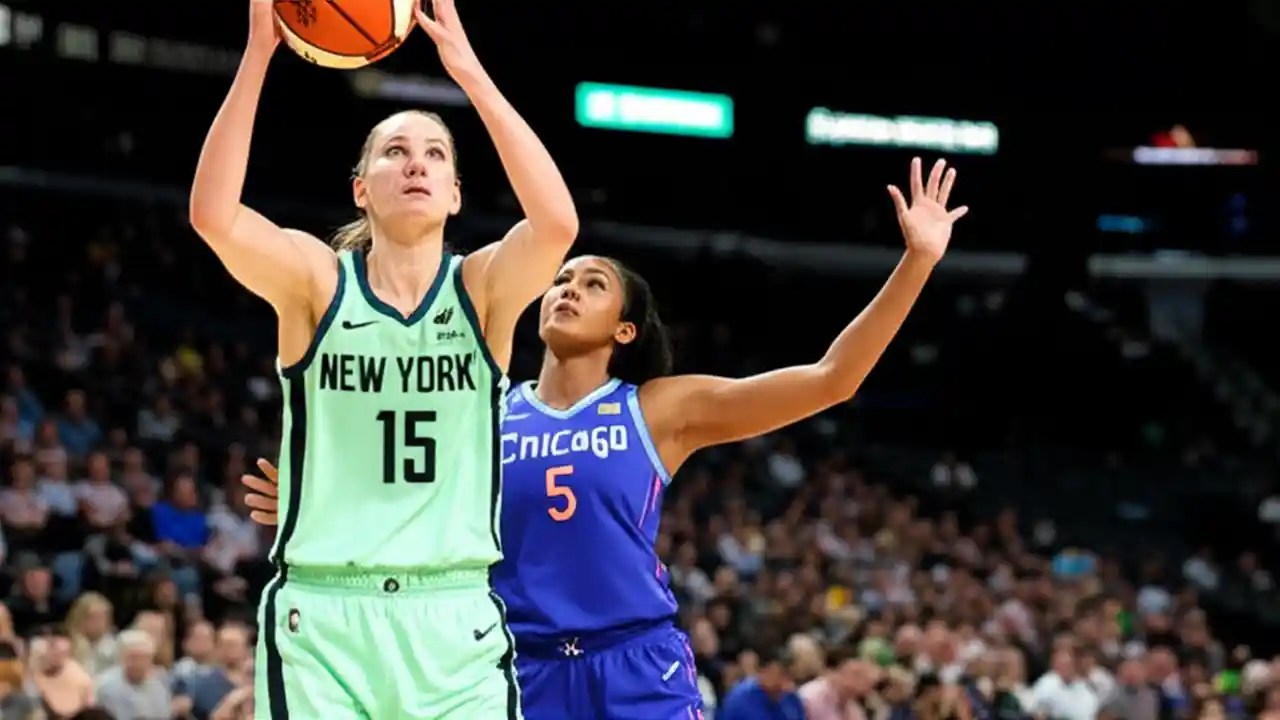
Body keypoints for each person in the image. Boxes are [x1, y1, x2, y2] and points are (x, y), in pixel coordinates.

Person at [243, 159, 967, 719]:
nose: (565, 288)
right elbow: (404, 501)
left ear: (625, 330)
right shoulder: (483, 412)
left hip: (635, 661)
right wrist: (316, 506)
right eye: (560, 279)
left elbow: (831, 379)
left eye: (591, 284)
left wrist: (918, 263)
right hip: (512, 666)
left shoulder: (658, 410)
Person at [189, 0, 579, 715]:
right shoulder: (316, 283)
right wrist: (256, 58)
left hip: (453, 616)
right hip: (326, 615)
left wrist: (469, 73)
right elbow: (213, 216)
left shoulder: (481, 289)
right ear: (361, 189)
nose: (416, 164)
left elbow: (557, 223)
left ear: (457, 194)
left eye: (435, 154)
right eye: (395, 152)